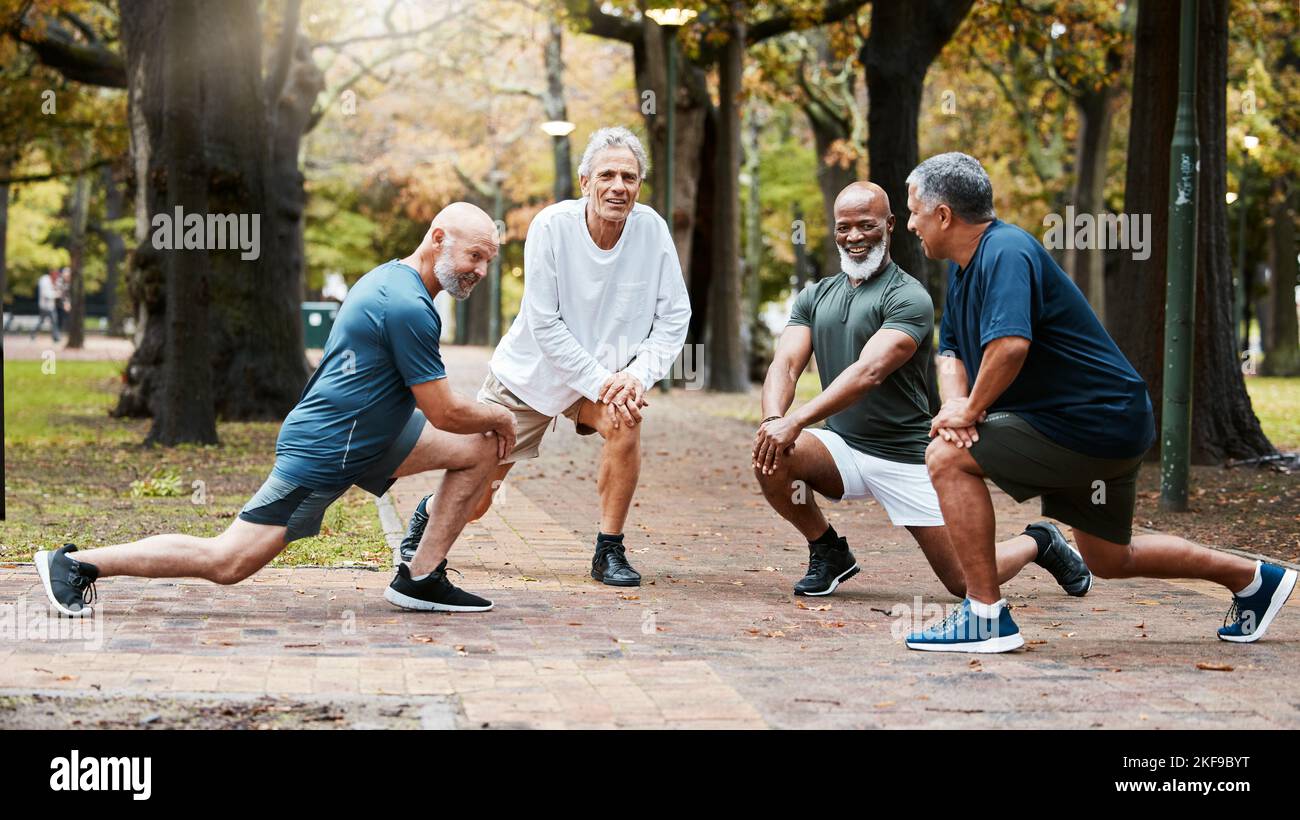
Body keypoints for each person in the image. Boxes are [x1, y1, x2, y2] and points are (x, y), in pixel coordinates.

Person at [35, 202, 516, 617]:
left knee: (478, 448)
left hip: (376, 434)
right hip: (328, 447)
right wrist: (500, 415)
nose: (480, 270)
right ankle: (76, 564)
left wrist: (490, 425)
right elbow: (444, 413)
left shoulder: (394, 278)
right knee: (228, 561)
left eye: (487, 261)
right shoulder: (407, 304)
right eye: (474, 256)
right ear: (438, 238)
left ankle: (420, 577)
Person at [903, 152, 1296, 653]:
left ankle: (984, 615)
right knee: (1109, 558)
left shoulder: (1005, 252)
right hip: (1100, 424)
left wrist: (971, 409)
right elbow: (952, 351)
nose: (910, 223)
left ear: (943, 215)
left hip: (1090, 423)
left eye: (914, 211)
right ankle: (1255, 579)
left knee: (945, 457)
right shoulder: (964, 270)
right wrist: (955, 406)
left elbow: (1010, 346)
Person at [754, 181, 1091, 600]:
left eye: (866, 225)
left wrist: (797, 420)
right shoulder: (815, 295)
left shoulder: (908, 296)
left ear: (890, 225)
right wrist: (774, 421)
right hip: (842, 448)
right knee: (770, 453)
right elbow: (785, 365)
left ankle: (1038, 541)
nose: (854, 236)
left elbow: (868, 372)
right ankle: (828, 550)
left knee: (964, 581)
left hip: (905, 455)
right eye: (844, 227)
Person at [398, 126, 690, 587]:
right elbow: (545, 323)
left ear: (639, 185)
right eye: (607, 175)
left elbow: (674, 316)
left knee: (626, 419)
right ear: (585, 182)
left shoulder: (652, 230)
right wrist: (604, 381)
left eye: (629, 177)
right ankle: (429, 513)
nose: (618, 186)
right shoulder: (551, 226)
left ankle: (608, 549)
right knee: (478, 500)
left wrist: (636, 377)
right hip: (530, 376)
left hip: (603, 381)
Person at [31, 269, 61, 342]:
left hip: (51, 306)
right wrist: (56, 294)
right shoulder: (44, 280)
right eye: (56, 275)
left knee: (53, 321)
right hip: (44, 306)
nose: (57, 277)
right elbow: (46, 294)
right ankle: (55, 337)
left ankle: (55, 337)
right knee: (47, 321)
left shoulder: (54, 281)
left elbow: (58, 286)